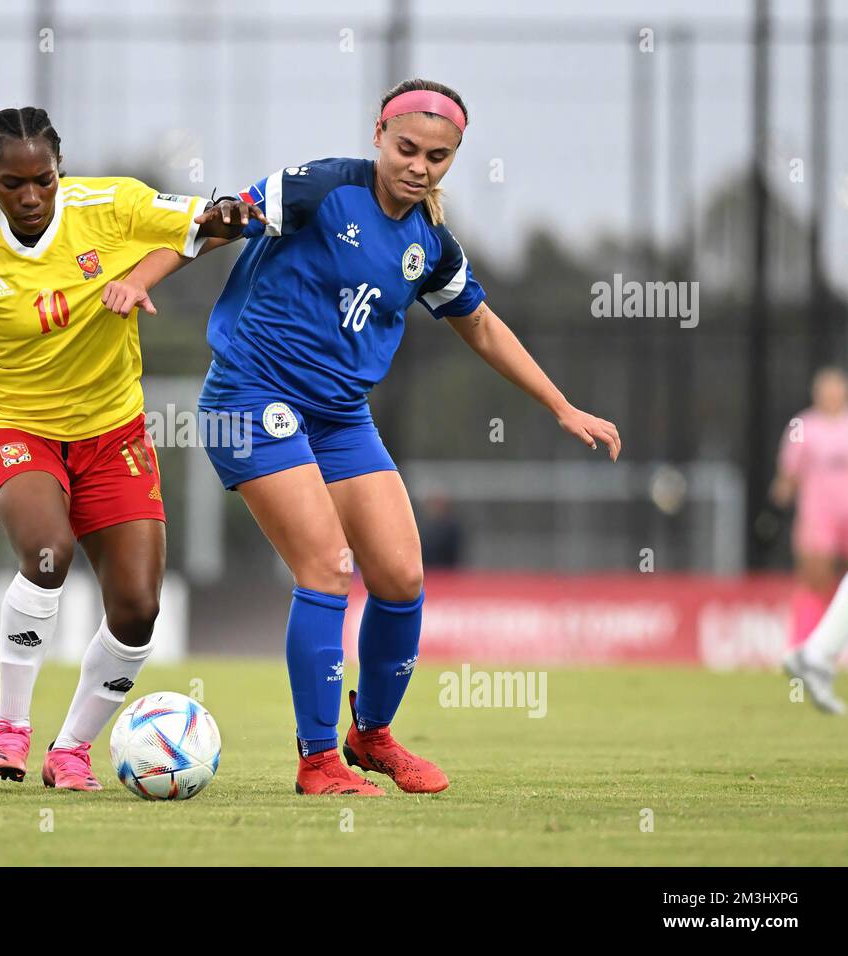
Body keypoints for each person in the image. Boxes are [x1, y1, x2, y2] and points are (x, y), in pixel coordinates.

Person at [104, 79, 621, 795]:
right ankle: (317, 760)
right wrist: (136, 278)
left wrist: (561, 405)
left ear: (452, 159)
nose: (419, 165)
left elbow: (481, 323)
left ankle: (370, 736)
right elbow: (215, 224)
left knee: (403, 579)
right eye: (406, 147)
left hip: (341, 415)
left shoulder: (430, 244)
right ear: (378, 134)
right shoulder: (319, 188)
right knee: (325, 567)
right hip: (253, 399)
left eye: (437, 157)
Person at [0, 107, 251, 790]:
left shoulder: (112, 205)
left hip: (113, 429)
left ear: (60, 172)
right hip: (15, 426)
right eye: (12, 184)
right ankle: (11, 726)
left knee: (139, 609)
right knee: (48, 553)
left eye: (43, 180)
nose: (30, 198)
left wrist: (211, 226)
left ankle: (71, 749)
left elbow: (212, 225)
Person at [774, 367, 848, 713]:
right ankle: (807, 649)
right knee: (816, 582)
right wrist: (774, 513)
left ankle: (814, 654)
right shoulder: (803, 426)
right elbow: (787, 476)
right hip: (818, 517)